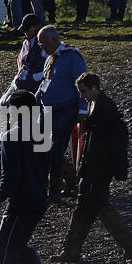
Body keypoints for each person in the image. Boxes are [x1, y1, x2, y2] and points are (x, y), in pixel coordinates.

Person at [0, 91, 63, 264]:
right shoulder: (42, 134)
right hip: (38, 200)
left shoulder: (11, 136)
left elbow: (9, 178)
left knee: (4, 253)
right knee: (17, 249)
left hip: (20, 203)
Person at [56, 73, 132, 264]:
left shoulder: (104, 109)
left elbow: (110, 143)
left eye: (84, 91)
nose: (83, 95)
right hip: (95, 169)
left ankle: (71, 250)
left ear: (94, 87)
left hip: (97, 169)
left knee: (85, 209)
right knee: (101, 208)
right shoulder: (99, 106)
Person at [34, 25, 86, 198]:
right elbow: (44, 84)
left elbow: (81, 83)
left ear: (55, 40)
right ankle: (68, 175)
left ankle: (54, 189)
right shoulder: (49, 59)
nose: (41, 47)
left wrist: (82, 109)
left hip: (65, 108)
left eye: (44, 43)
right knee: (40, 146)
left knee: (55, 149)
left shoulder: (71, 56)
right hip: (47, 109)